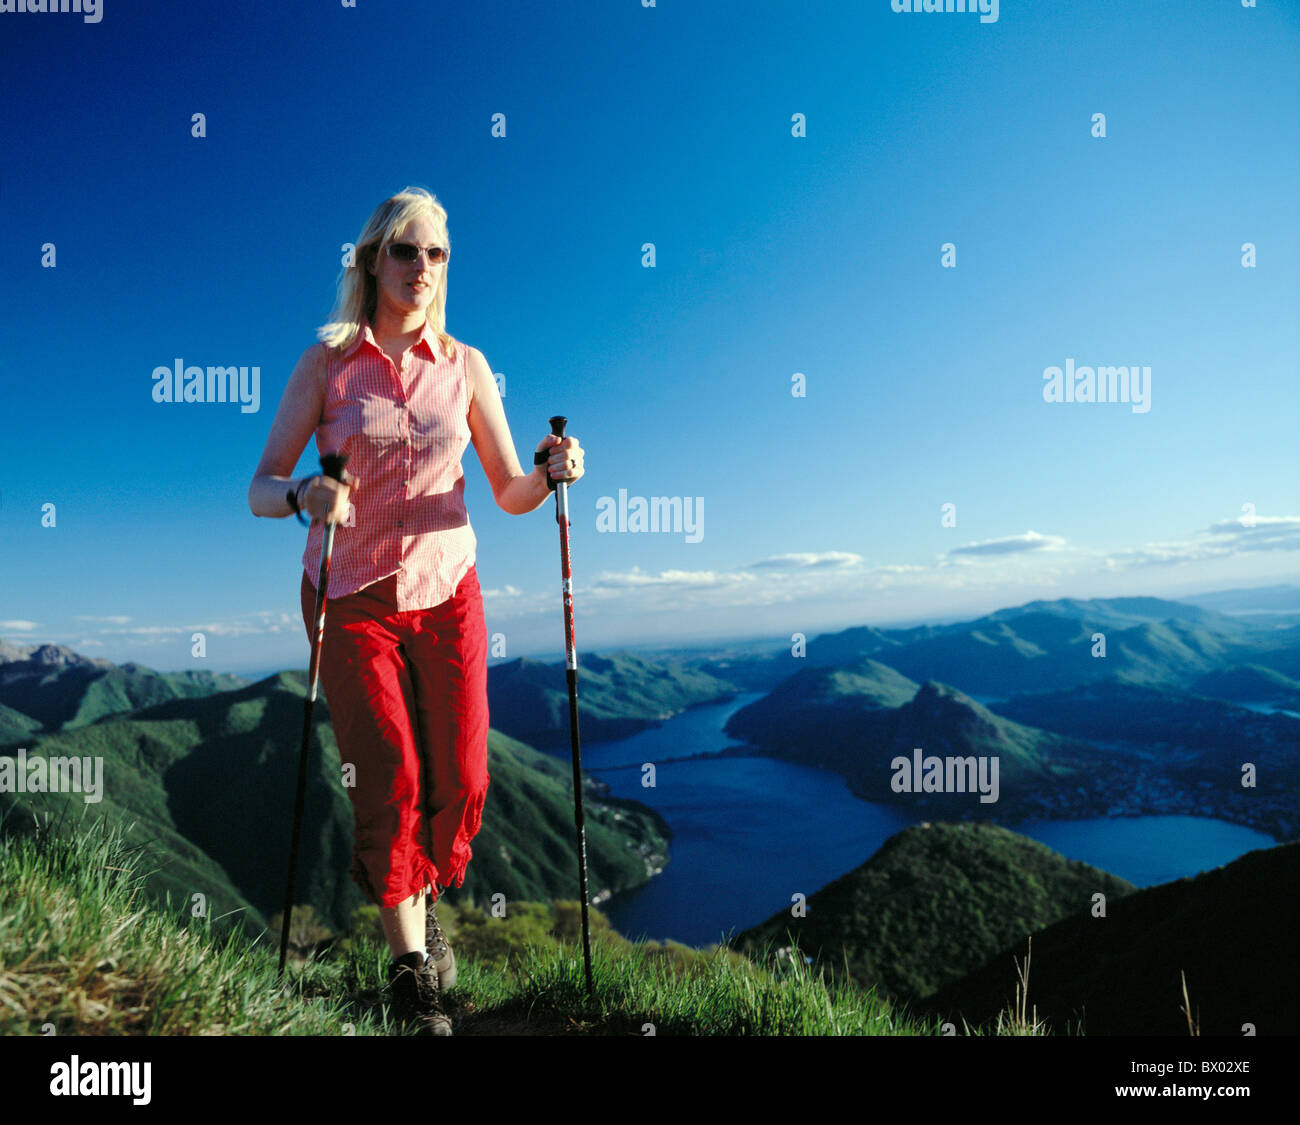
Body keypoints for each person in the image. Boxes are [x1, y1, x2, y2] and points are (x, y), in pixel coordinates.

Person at [248, 186, 584, 1035]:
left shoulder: (465, 365)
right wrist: (303, 493)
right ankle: (411, 972)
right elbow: (261, 485)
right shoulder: (326, 363)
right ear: (372, 260)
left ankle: (418, 895)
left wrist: (551, 472)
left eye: (436, 253)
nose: (422, 267)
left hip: (446, 591)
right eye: (406, 250)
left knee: (463, 776)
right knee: (389, 773)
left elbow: (508, 489)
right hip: (349, 594)